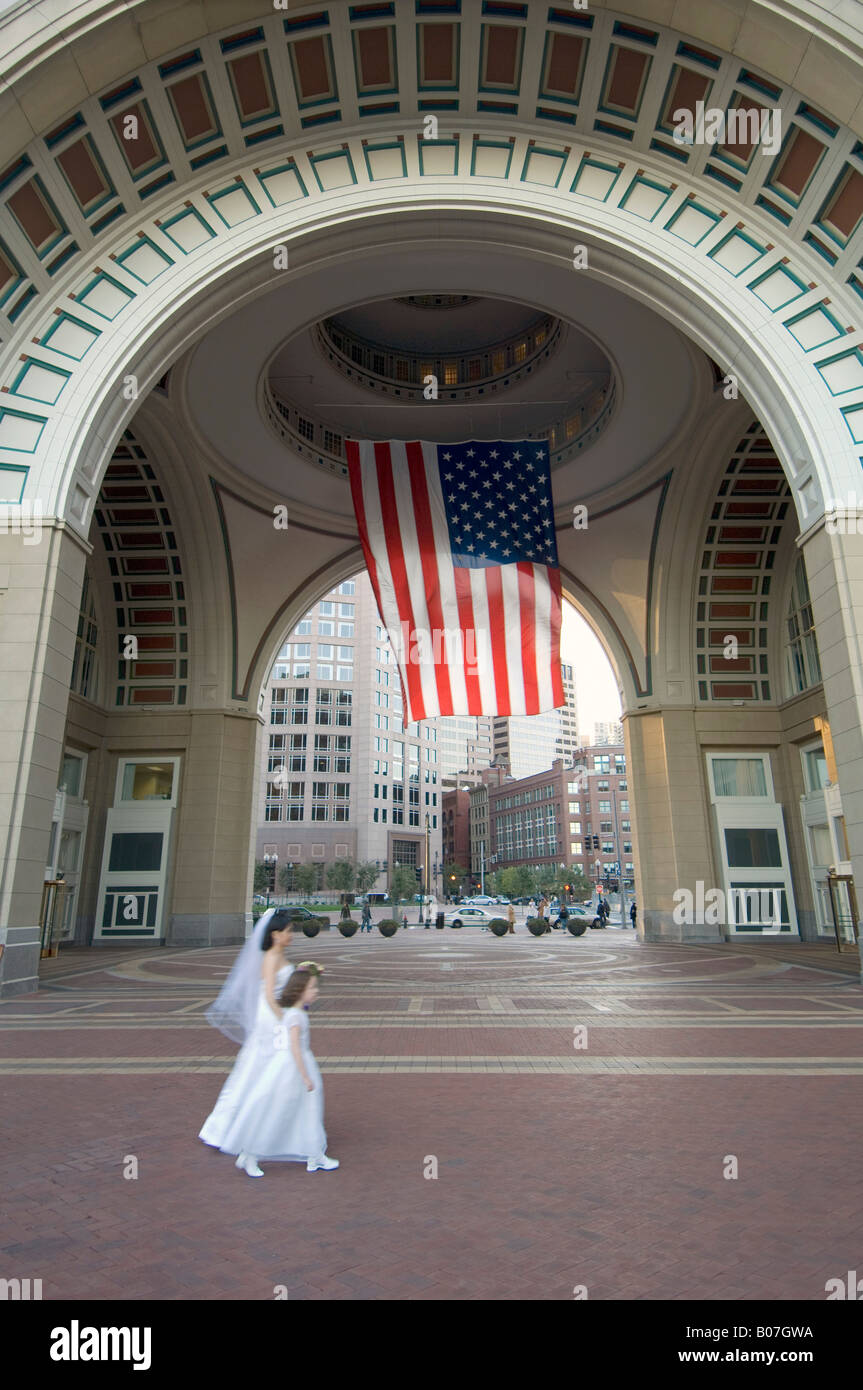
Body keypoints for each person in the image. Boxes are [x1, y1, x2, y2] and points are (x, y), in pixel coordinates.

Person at [202, 965, 337, 1178]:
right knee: (278, 1111)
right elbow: (293, 1047)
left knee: (307, 1108)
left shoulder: (295, 1013)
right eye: (312, 988)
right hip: (293, 1066)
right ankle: (252, 1154)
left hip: (295, 1064)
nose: (316, 991)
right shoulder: (295, 1016)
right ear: (300, 991)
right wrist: (304, 1075)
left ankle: (314, 1154)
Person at [199, 907, 295, 1168]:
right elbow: (267, 994)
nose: (292, 934)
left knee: (262, 1070)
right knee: (263, 1070)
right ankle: (239, 1126)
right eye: (288, 930)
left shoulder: (276, 955)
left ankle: (268, 1123)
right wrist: (286, 1019)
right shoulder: (270, 958)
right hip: (271, 1020)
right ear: (275, 934)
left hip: (275, 1016)